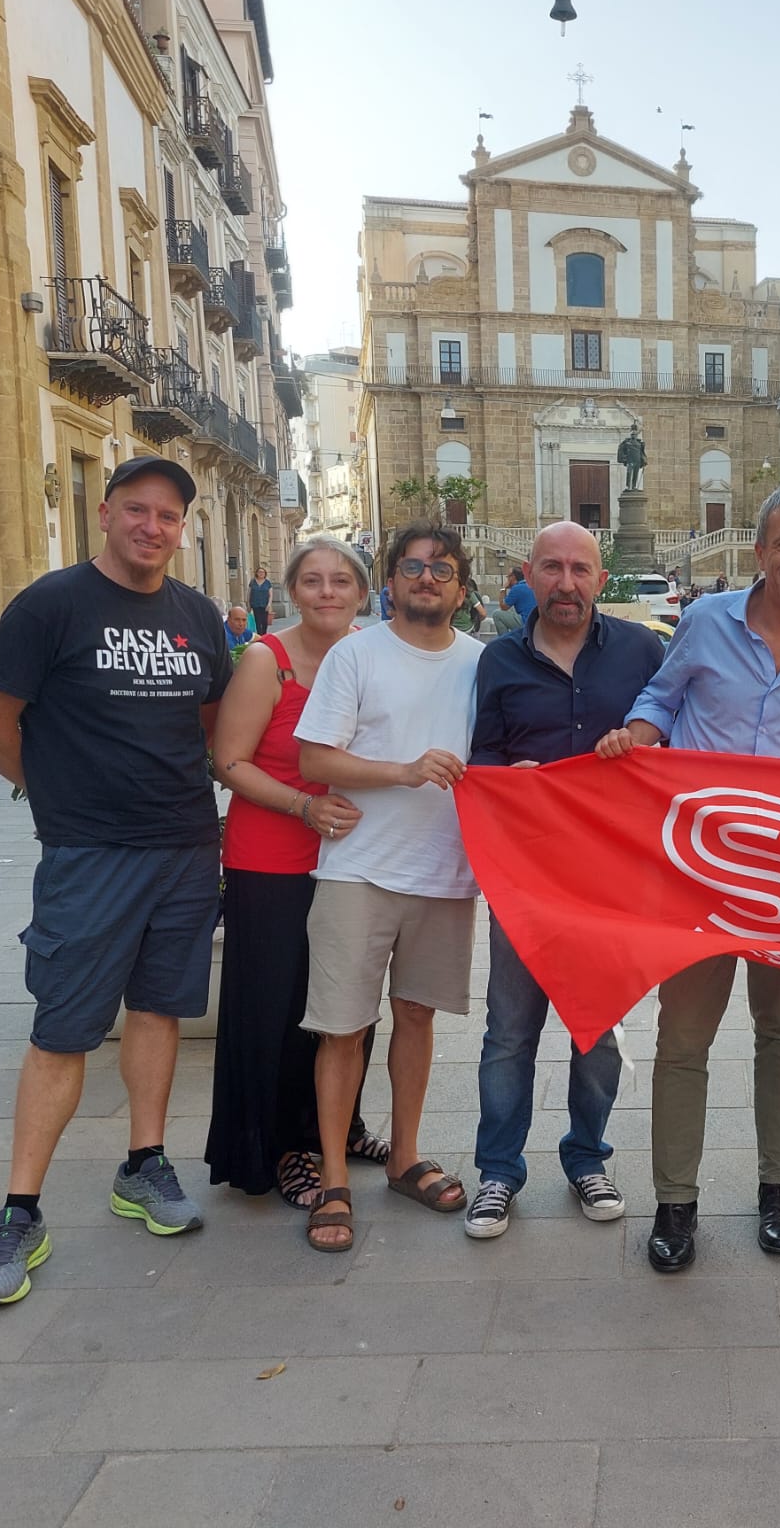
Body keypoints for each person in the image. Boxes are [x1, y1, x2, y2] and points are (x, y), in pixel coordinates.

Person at [0, 455, 227, 1307]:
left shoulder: (198, 615)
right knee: (64, 1030)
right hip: (90, 857)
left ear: (182, 531)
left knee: (158, 1012)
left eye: (170, 517)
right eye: (139, 511)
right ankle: (20, 1209)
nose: (154, 528)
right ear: (106, 513)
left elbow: (211, 725)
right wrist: (55, 796)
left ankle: (144, 1164)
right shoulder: (51, 605)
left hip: (186, 847)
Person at [596, 482, 780, 1272]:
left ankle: (778, 1187)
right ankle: (676, 1201)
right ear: (759, 551)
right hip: (698, 866)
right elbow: (661, 696)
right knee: (684, 1038)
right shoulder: (708, 621)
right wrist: (639, 736)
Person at [462, 521, 665, 1238]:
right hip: (527, 877)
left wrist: (644, 740)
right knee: (509, 1031)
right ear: (529, 574)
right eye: (553, 567)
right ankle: (498, 1172)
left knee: (597, 1029)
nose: (567, 582)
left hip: (611, 880)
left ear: (601, 580)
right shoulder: (498, 661)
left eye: (580, 569)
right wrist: (505, 778)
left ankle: (587, 1158)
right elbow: (480, 757)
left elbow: (673, 732)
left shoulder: (642, 650)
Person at [294, 522, 484, 1252]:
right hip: (359, 869)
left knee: (417, 1018)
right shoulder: (356, 655)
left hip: (445, 872)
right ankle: (335, 1176)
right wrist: (403, 772)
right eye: (412, 567)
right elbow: (314, 757)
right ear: (392, 583)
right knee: (342, 1028)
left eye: (441, 568)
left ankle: (404, 1156)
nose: (426, 577)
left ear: (461, 588)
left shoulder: (482, 661)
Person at [206, 538, 385, 1210]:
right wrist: (304, 806)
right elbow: (229, 761)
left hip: (351, 860)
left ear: (362, 593)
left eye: (341, 581)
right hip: (272, 857)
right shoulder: (265, 662)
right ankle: (283, 1146)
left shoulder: (372, 653)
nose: (327, 592)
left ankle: (338, 1127)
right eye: (312, 581)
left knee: (344, 1005)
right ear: (290, 591)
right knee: (279, 1007)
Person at [248, 565, 274, 636]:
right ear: (256, 573)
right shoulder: (252, 582)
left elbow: (270, 595)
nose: (261, 573)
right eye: (259, 572)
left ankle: (264, 634)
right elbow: (249, 593)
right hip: (255, 604)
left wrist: (269, 604)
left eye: (263, 572)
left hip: (265, 604)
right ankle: (260, 636)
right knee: (258, 621)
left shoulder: (267, 582)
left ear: (265, 574)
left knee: (264, 621)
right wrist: (249, 604)